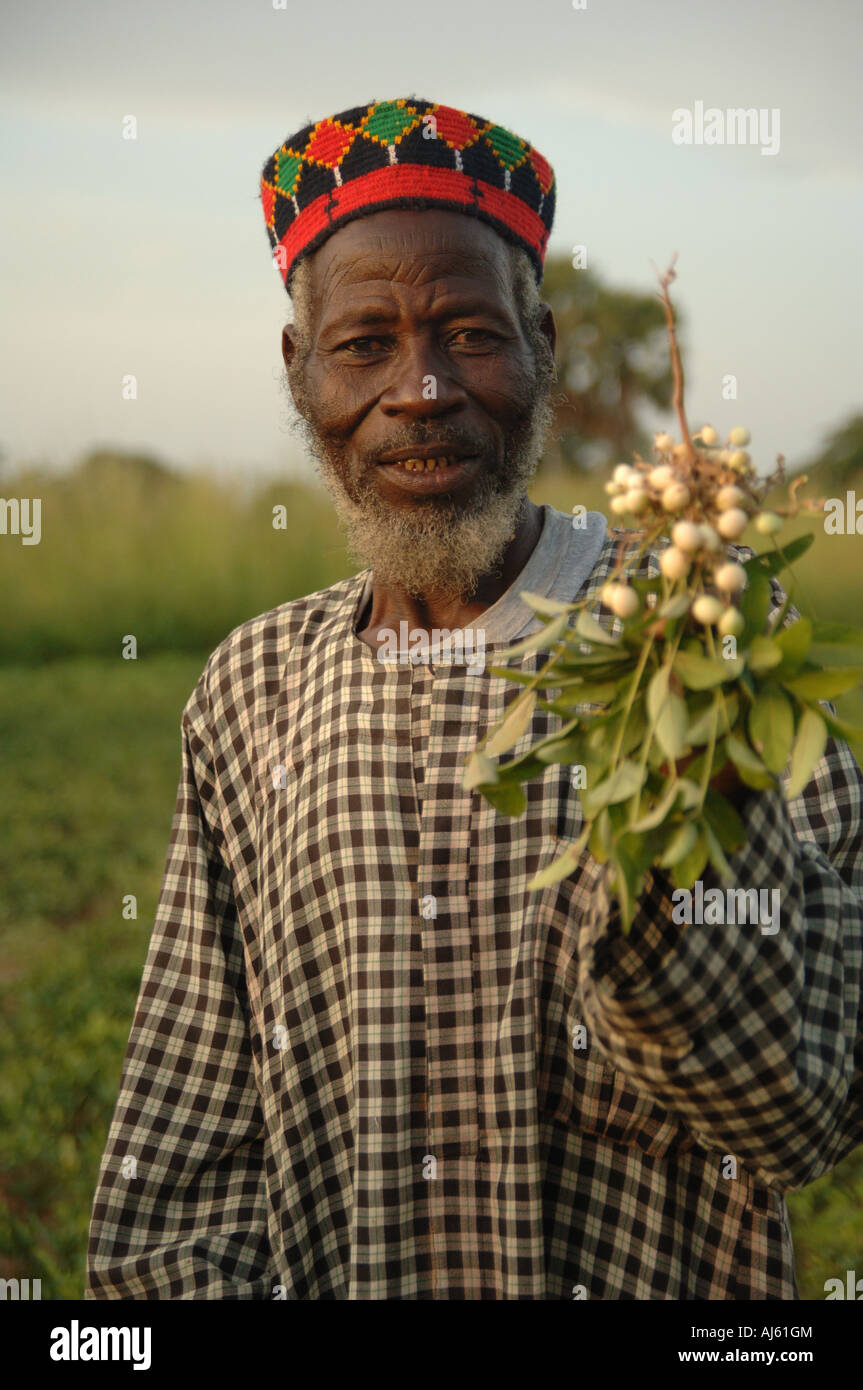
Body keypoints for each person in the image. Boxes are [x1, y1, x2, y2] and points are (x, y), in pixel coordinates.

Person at [86, 98, 863, 1300]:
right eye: (364, 346)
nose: (423, 389)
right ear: (298, 373)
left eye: (469, 333)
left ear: (541, 347)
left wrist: (686, 868)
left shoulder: (694, 632)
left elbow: (803, 1115)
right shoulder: (248, 690)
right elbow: (188, 1151)